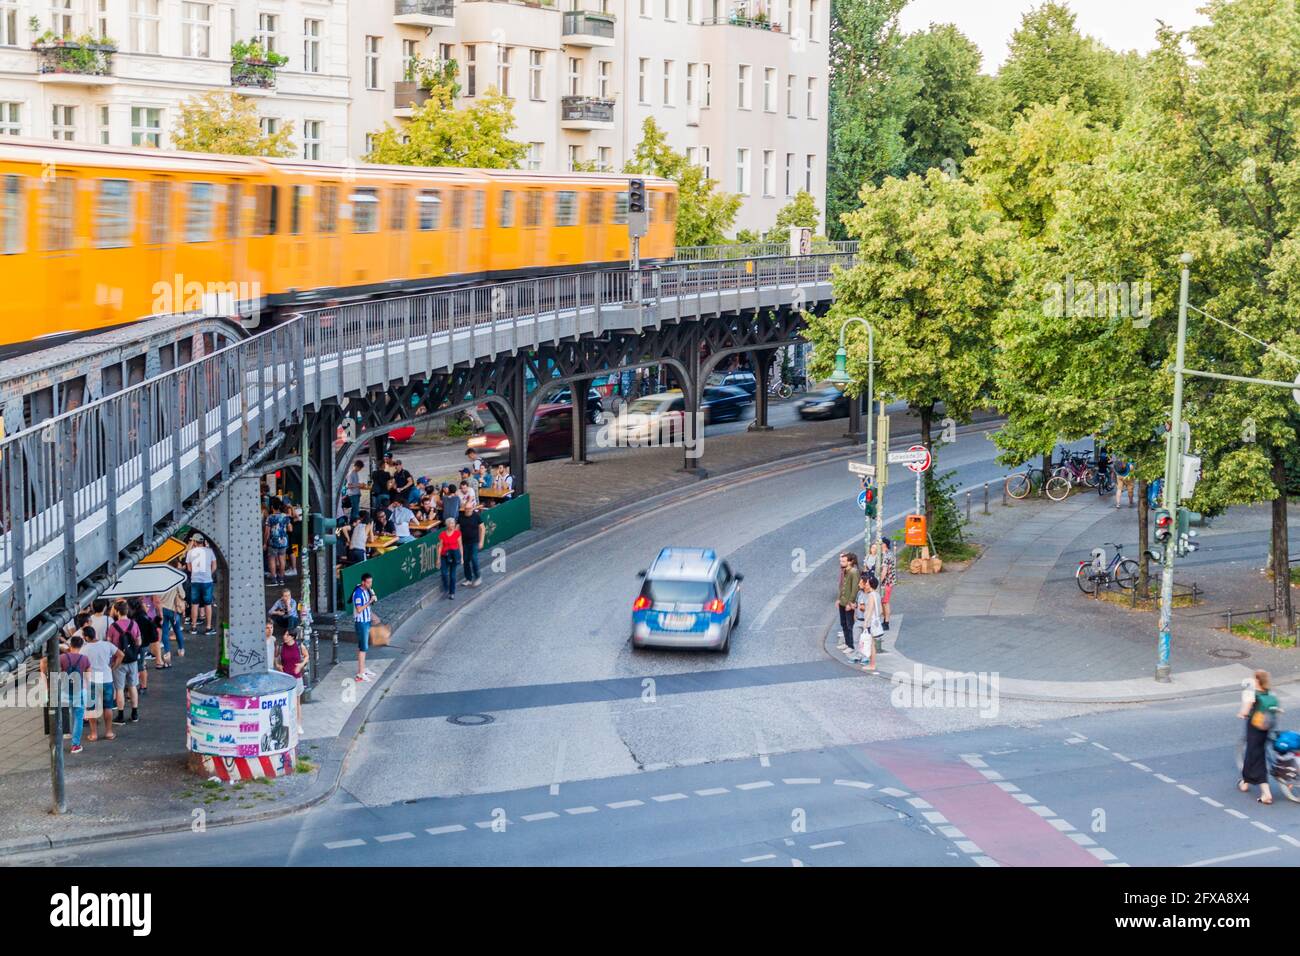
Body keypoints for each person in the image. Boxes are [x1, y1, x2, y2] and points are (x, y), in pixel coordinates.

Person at [41, 633, 91, 753]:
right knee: (78, 717)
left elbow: (53, 671)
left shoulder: (62, 658)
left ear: (71, 645)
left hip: (63, 691)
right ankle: (75, 745)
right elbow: (88, 677)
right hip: (79, 691)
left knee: (59, 716)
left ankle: (56, 744)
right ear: (81, 646)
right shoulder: (85, 659)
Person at [1239, 669, 1277, 805]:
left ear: (1256, 680)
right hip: (1266, 728)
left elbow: (1245, 710)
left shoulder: (1251, 693)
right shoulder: (1269, 692)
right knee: (1252, 753)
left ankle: (1266, 793)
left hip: (1255, 728)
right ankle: (1245, 782)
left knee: (1256, 757)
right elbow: (1276, 709)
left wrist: (1242, 713)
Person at [79, 624, 121, 742]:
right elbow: (121, 655)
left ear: (86, 637)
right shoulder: (107, 645)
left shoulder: (84, 649)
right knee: (108, 707)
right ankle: (109, 732)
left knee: (92, 709)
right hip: (107, 679)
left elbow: (81, 665)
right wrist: (113, 667)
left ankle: (94, 734)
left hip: (92, 681)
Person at [106, 601, 142, 724]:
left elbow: (109, 644)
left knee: (119, 689)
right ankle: (135, 713)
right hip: (132, 660)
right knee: (132, 686)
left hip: (118, 661)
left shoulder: (113, 627)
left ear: (116, 611)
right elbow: (139, 642)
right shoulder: (134, 624)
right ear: (127, 611)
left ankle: (120, 716)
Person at [277, 626, 308, 736]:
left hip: (297, 677)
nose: (284, 637)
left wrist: (301, 665)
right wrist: (278, 666)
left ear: (292, 637)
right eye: (284, 635)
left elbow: (306, 656)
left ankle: (298, 724)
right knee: (286, 702)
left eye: (287, 635)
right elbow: (276, 659)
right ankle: (287, 724)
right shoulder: (281, 647)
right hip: (285, 678)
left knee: (297, 702)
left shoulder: (299, 646)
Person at [186, 535, 218, 635]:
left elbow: (189, 569)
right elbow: (214, 566)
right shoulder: (209, 551)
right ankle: (208, 627)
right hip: (207, 581)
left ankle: (194, 627)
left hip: (195, 581)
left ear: (195, 542)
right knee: (208, 604)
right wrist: (209, 573)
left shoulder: (190, 552)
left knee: (194, 604)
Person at [852, 575, 882, 671]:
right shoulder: (877, 594)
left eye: (868, 583)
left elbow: (869, 610)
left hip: (870, 622)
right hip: (876, 621)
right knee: (872, 644)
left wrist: (866, 621)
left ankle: (872, 664)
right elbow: (880, 610)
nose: (866, 584)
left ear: (871, 585)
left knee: (871, 645)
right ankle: (871, 663)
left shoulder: (871, 595)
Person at [351, 573, 377, 683]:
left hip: (366, 621)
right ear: (363, 582)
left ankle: (362, 669)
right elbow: (359, 609)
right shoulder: (358, 594)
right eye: (368, 582)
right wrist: (370, 601)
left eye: (371, 582)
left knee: (363, 647)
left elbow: (367, 609)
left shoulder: (367, 591)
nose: (370, 584)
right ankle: (361, 673)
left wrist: (373, 616)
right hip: (361, 623)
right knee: (363, 648)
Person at [158, 573, 186, 663]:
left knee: (165, 631)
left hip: (162, 609)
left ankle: (167, 652)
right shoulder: (176, 580)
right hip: (173, 610)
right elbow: (183, 595)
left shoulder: (159, 581)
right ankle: (181, 650)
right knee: (177, 630)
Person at [264, 498, 293, 586]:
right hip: (283, 542)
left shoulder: (270, 517)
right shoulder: (285, 516)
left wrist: (265, 543)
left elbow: (267, 532)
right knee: (282, 560)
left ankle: (274, 579)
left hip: (273, 542)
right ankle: (281, 579)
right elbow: (290, 529)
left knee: (272, 560)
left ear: (272, 507)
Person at [835, 552, 860, 651]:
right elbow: (842, 587)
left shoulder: (854, 572)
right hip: (842, 602)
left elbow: (854, 589)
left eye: (843, 561)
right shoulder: (845, 570)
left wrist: (850, 603)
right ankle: (847, 643)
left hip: (848, 604)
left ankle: (851, 645)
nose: (841, 563)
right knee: (843, 623)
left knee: (850, 625)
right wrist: (838, 599)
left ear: (850, 562)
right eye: (841, 561)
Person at [460, 503, 486, 588]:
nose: (468, 510)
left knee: (474, 559)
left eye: (470, 508)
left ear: (472, 508)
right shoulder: (461, 517)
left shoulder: (476, 516)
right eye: (466, 509)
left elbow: (482, 528)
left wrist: (481, 541)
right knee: (466, 560)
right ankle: (468, 579)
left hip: (474, 542)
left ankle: (478, 577)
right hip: (464, 542)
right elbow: (457, 529)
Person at [437, 517, 463, 600]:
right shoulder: (442, 534)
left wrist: (462, 557)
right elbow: (440, 546)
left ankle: (452, 592)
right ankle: (446, 588)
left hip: (454, 555)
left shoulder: (457, 533)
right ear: (447, 525)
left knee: (452, 575)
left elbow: (460, 545)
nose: (452, 525)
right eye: (450, 524)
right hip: (444, 555)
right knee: (444, 573)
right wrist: (438, 559)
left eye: (453, 523)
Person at [879, 539, 896, 630]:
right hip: (890, 581)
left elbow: (884, 571)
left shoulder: (885, 555)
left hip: (886, 582)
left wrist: (879, 582)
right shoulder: (889, 553)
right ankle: (885, 620)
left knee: (885, 602)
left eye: (880, 543)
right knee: (883, 602)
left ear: (884, 544)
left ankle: (886, 622)